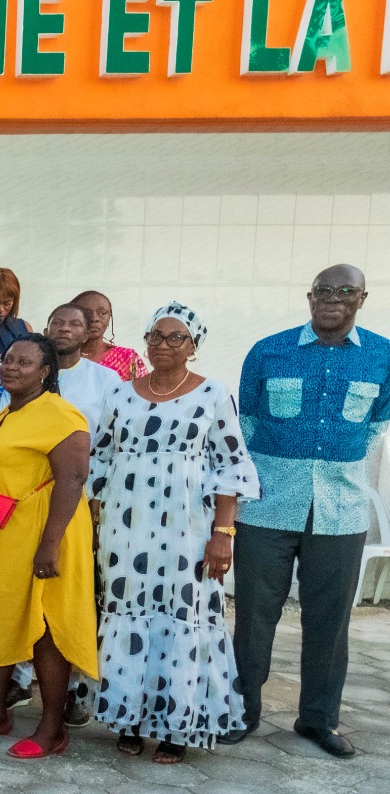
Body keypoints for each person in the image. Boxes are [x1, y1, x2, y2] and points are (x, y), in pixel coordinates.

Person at [91, 303, 258, 763]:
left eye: (175, 338)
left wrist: (223, 532)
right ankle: (129, 717)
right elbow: (100, 459)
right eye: (156, 336)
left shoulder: (212, 394)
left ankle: (176, 728)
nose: (163, 345)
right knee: (128, 614)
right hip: (127, 531)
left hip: (187, 530)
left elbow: (231, 465)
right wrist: (96, 519)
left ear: (194, 346)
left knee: (182, 618)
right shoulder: (121, 395)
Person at [233, 264, 388, 759]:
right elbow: (248, 428)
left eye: (345, 291)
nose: (333, 298)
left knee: (330, 620)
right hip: (267, 507)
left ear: (362, 299)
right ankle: (242, 712)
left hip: (340, 511)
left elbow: (374, 426)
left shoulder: (383, 356)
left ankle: (318, 719)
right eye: (324, 290)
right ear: (309, 296)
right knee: (254, 617)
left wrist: (337, 465)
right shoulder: (268, 350)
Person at [0, 334, 97, 759]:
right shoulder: (6, 412)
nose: (12, 367)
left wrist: (49, 544)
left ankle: (51, 726)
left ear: (45, 372)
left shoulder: (59, 414)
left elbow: (73, 479)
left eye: (25, 362)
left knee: (46, 627)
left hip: (41, 535)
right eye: (9, 359)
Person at [3, 304, 117, 437]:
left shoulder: (106, 378)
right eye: (57, 323)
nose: (64, 329)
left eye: (75, 324)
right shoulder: (24, 374)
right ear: (46, 332)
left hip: (86, 456)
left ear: (86, 336)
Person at [75, 290, 147, 380]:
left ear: (109, 317)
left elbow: (142, 391)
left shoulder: (127, 358)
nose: (94, 318)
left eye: (102, 313)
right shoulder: (61, 357)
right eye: (87, 313)